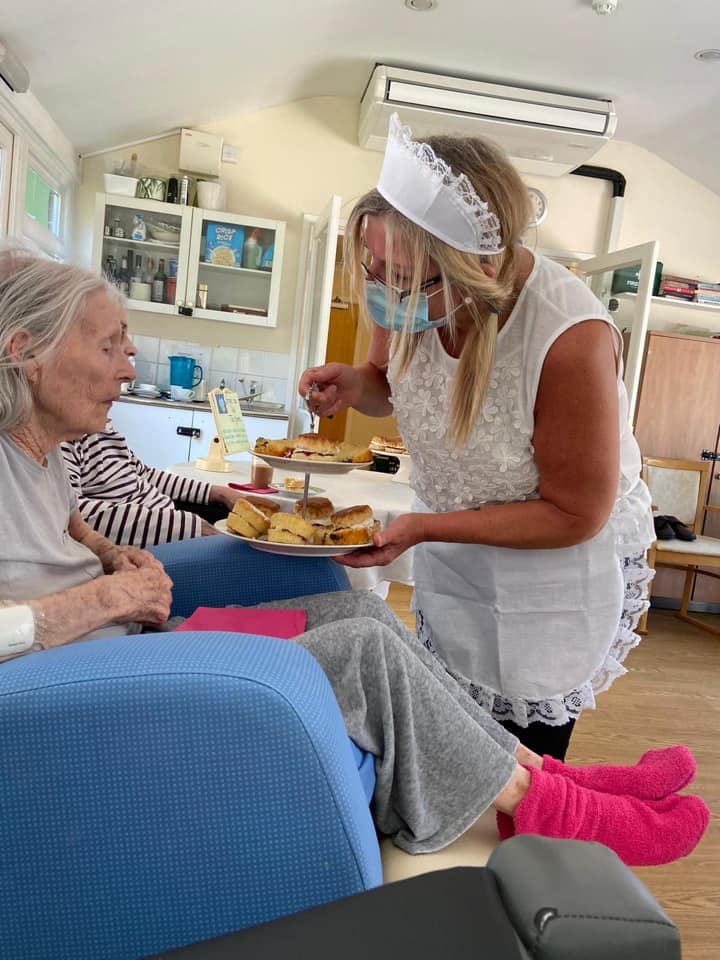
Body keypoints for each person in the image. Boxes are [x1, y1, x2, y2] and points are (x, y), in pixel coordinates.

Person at [299, 114, 656, 761]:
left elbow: (575, 512)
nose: (379, 288)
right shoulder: (406, 293)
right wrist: (354, 384)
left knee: (522, 759)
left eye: (400, 278)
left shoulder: (567, 337)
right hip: (457, 557)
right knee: (456, 737)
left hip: (549, 581)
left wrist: (427, 527)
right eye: (371, 265)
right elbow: (390, 382)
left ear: (474, 268)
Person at [62, 414, 245, 547]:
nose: (130, 373)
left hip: (171, 521)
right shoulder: (63, 437)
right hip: (153, 543)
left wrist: (217, 493)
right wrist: (189, 528)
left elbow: (145, 474)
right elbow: (68, 514)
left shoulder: (102, 429)